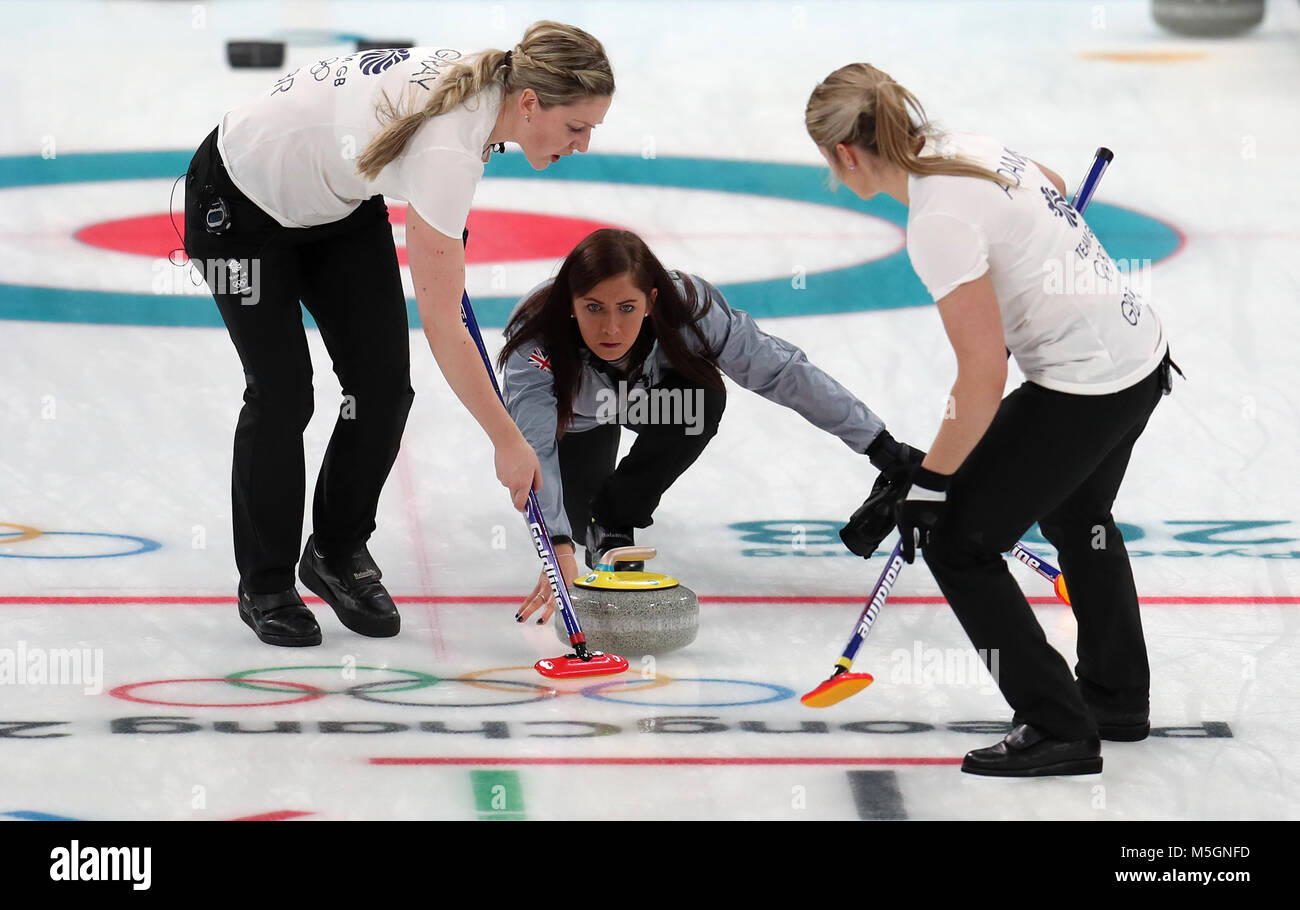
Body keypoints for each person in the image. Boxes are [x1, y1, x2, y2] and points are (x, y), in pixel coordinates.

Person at [183, 22, 614, 647]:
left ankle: (334, 552)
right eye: (576, 127)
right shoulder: (450, 147)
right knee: (283, 393)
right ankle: (267, 582)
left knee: (382, 388)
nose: (583, 144)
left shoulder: (490, 94)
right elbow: (445, 326)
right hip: (238, 205)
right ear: (529, 103)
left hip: (333, 204)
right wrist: (509, 440)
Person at [806, 64, 1176, 776]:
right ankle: (1114, 698)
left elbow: (982, 375)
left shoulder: (935, 221)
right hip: (1138, 356)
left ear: (845, 154)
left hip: (1086, 386)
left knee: (958, 545)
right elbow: (1055, 185)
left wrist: (934, 485)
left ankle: (1058, 724)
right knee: (1080, 517)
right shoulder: (961, 144)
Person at [498, 228, 921, 623]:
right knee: (568, 528)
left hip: (654, 404)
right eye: (594, 308)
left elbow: (781, 372)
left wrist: (880, 446)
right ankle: (583, 522)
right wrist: (555, 546)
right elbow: (534, 450)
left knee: (703, 396)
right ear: (571, 303)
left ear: (652, 299)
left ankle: (613, 520)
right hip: (573, 424)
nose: (611, 327)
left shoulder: (689, 311)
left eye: (627, 308)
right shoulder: (536, 338)